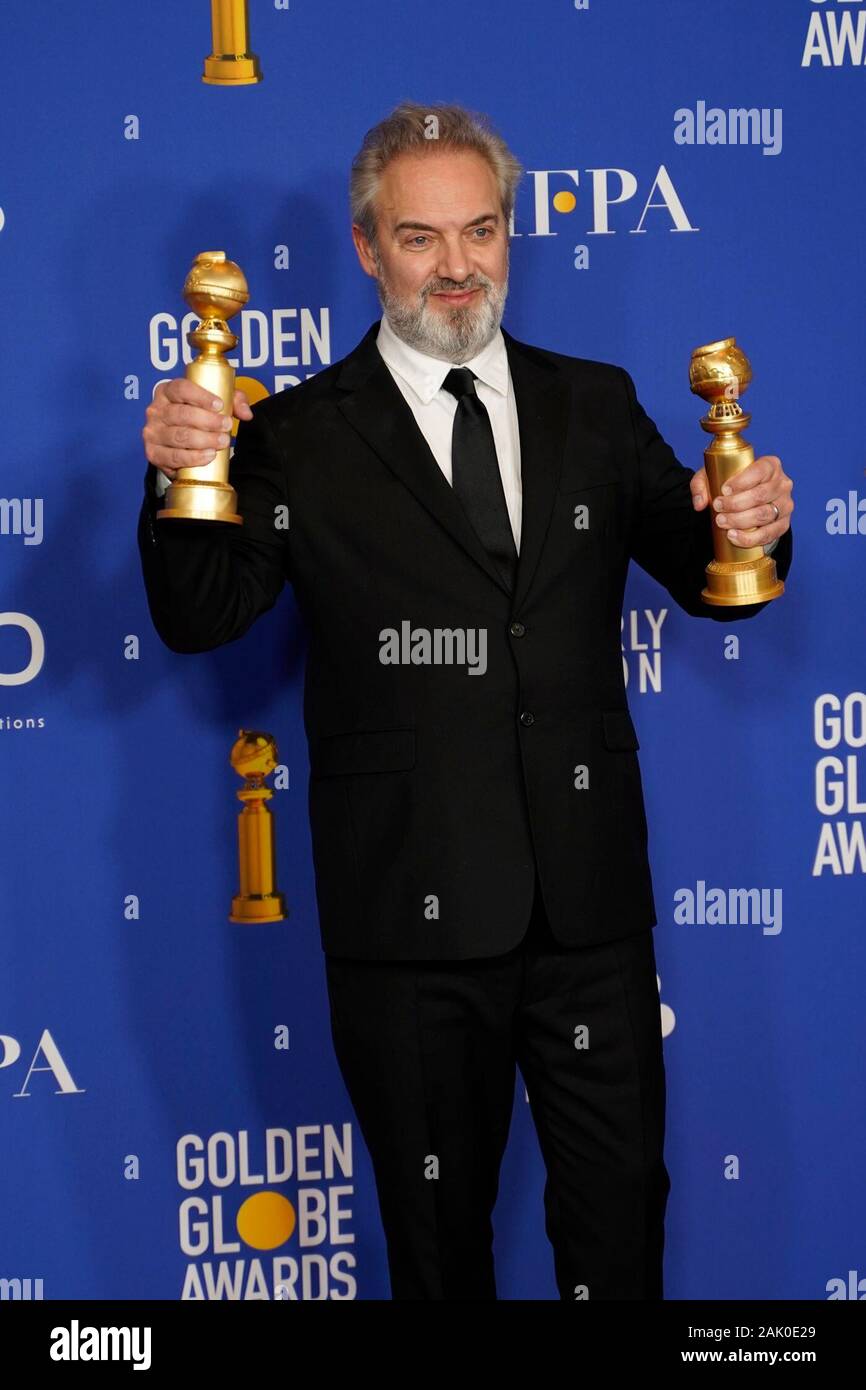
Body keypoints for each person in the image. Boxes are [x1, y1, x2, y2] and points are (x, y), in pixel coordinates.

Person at [138, 101, 794, 1300]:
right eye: (420, 238)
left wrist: (753, 525)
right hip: (409, 923)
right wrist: (181, 474)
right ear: (364, 248)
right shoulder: (294, 433)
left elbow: (712, 577)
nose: (454, 267)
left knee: (619, 1236)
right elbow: (202, 614)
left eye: (479, 232)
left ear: (508, 237)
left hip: (589, 914)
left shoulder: (592, 404)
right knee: (440, 1255)